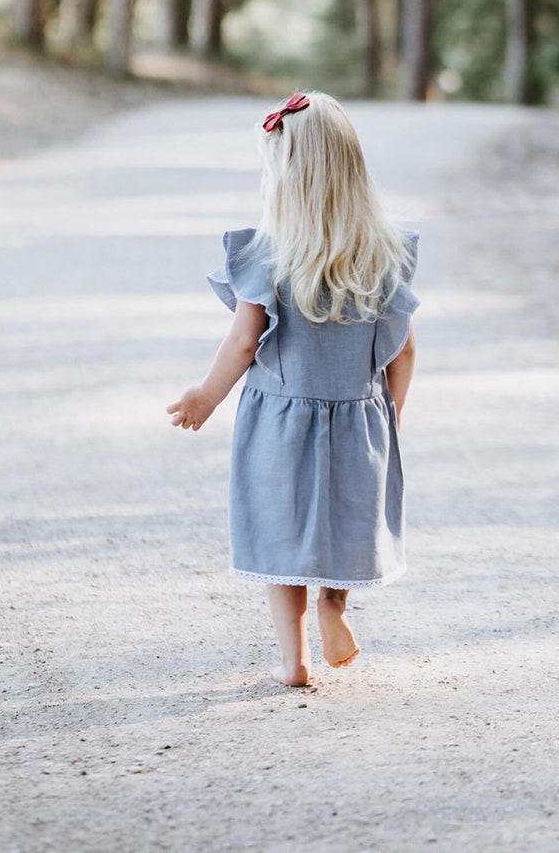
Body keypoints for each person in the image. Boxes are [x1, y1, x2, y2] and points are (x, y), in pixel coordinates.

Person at [167, 91, 419, 687]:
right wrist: (391, 413)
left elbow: (243, 342)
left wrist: (205, 396)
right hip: (359, 415)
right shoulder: (382, 254)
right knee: (345, 521)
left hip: (279, 422)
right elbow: (404, 349)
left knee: (282, 533)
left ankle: (294, 661)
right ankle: (334, 606)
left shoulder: (265, 255)